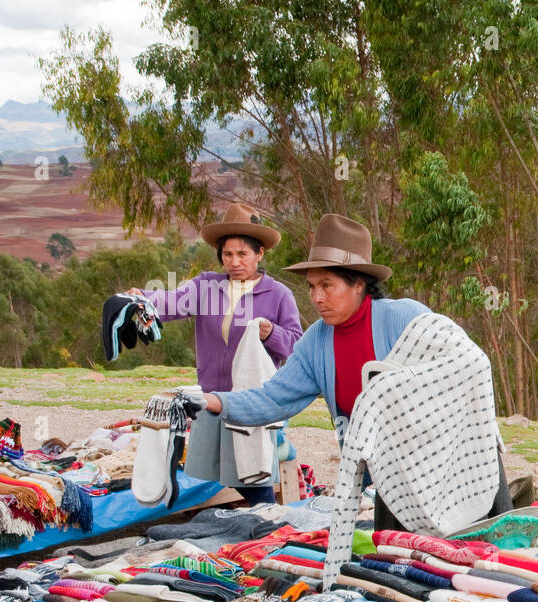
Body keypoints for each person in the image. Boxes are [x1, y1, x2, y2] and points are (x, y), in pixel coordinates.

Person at [199, 213, 512, 528]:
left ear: (358, 284)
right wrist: (212, 402)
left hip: (460, 459)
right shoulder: (316, 344)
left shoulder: (407, 320)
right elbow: (272, 400)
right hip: (395, 478)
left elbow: (472, 365)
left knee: (497, 553)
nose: (316, 297)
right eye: (311, 287)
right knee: (401, 561)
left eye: (326, 285)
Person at [128, 203, 303, 504]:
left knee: (251, 470)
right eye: (227, 254)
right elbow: (171, 303)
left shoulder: (277, 295)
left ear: (260, 254)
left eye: (242, 254)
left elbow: (295, 345)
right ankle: (255, 518)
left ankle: (269, 519)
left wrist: (270, 333)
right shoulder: (206, 286)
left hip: (252, 400)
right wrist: (143, 298)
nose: (234, 262)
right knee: (217, 469)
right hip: (210, 398)